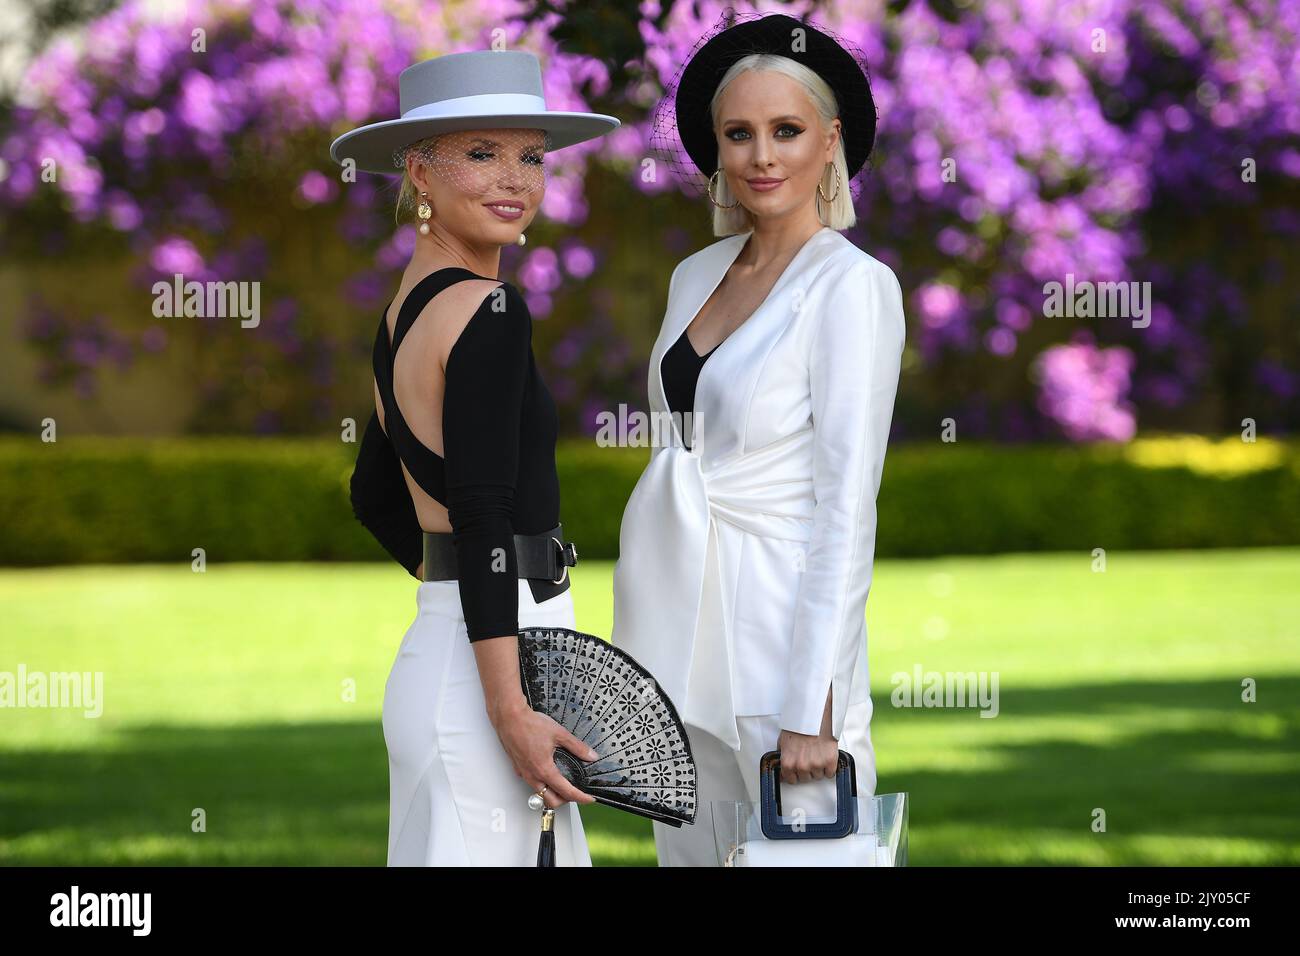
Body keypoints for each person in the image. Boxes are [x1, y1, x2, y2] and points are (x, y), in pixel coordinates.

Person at [612, 12, 906, 865]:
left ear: (831, 141)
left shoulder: (853, 288)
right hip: (678, 633)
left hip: (783, 647)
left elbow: (845, 510)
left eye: (787, 130)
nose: (762, 156)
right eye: (738, 134)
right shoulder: (693, 275)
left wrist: (811, 707)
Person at [330, 49, 619, 866]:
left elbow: (373, 496)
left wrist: (453, 587)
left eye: (530, 155)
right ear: (420, 172)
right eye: (482, 154)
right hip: (493, 676)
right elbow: (484, 511)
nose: (516, 179)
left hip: (444, 658)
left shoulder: (402, 312)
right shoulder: (491, 308)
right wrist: (509, 706)